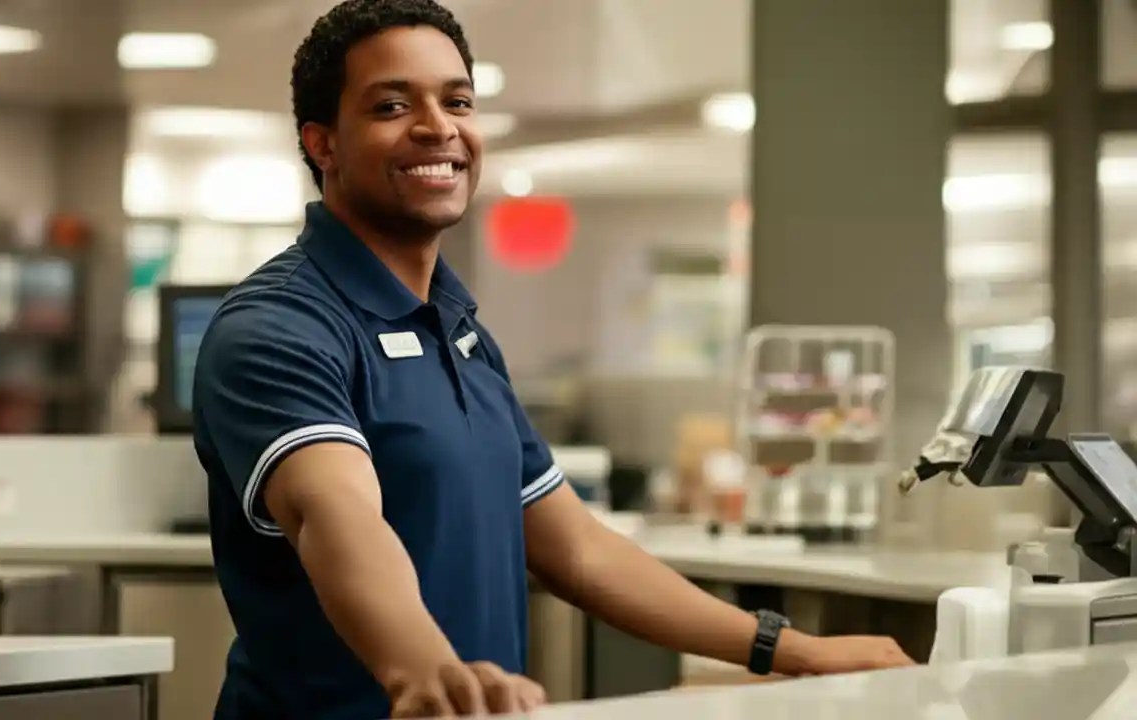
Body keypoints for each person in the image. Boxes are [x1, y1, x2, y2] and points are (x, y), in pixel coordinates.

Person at [191, 1, 915, 718]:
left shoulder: (461, 329)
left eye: (458, 101)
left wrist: (794, 650)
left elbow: (578, 550)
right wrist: (428, 673)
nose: (438, 127)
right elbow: (336, 516)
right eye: (390, 105)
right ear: (323, 145)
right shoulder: (278, 326)